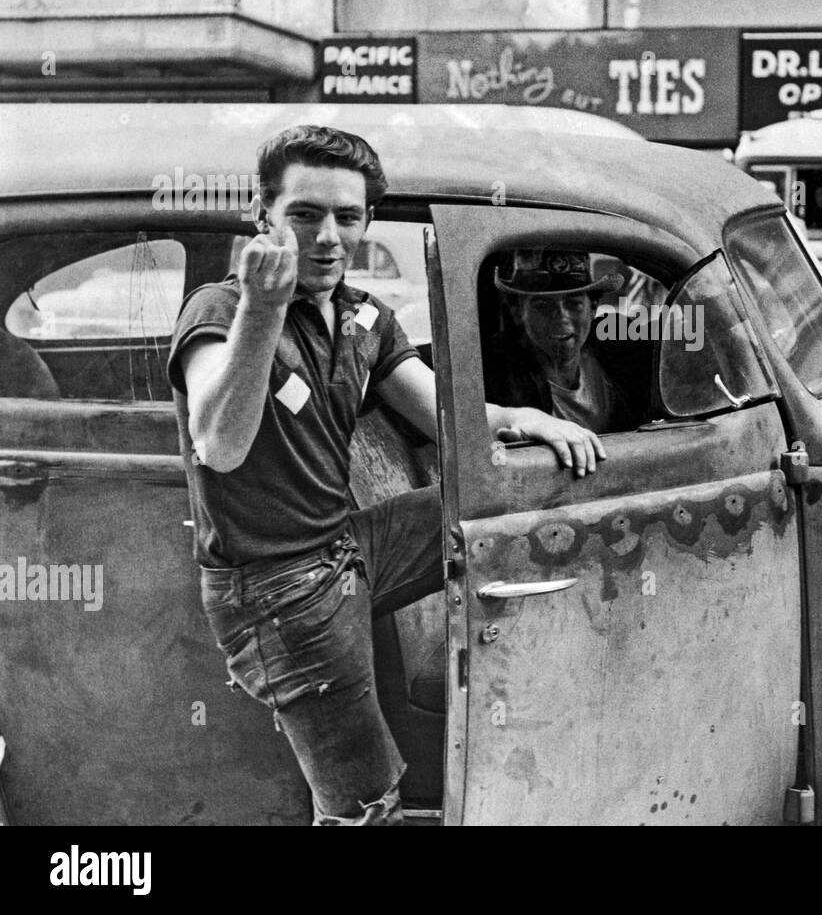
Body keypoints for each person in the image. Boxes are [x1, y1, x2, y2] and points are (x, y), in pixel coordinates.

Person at [167, 125, 605, 826]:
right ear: (264, 220)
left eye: (348, 215)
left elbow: (443, 413)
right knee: (364, 808)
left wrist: (530, 416)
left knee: (496, 509)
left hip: (346, 547)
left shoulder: (363, 317)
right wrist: (262, 310)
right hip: (277, 590)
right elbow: (218, 443)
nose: (328, 236)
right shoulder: (221, 312)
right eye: (304, 216)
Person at [484, 249, 651, 434]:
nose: (561, 317)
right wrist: (513, 417)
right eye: (543, 305)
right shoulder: (495, 370)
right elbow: (465, 411)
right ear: (518, 312)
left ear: (593, 307)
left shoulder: (620, 342)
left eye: (574, 304)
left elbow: (675, 353)